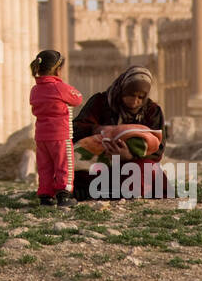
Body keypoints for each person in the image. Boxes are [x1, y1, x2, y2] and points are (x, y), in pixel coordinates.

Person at [72, 65, 166, 199]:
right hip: (99, 161)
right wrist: (97, 129)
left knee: (145, 169)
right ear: (122, 90)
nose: (135, 101)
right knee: (78, 170)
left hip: (133, 163)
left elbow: (158, 147)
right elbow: (76, 129)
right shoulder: (100, 102)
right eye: (131, 95)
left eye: (140, 97)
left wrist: (128, 155)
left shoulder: (152, 111)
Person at [28, 49, 84, 207]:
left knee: (45, 167)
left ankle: (45, 196)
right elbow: (77, 98)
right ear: (58, 70)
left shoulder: (35, 89)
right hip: (60, 135)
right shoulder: (60, 88)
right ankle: (64, 195)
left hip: (41, 136)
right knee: (64, 165)